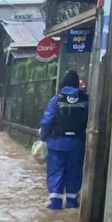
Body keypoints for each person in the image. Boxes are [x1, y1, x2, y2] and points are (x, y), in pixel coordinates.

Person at [40, 69, 89, 210]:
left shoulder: (57, 99)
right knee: (74, 172)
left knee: (56, 172)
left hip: (56, 144)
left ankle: (55, 204)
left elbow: (47, 121)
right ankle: (72, 203)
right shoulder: (86, 99)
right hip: (77, 144)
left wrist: (42, 138)